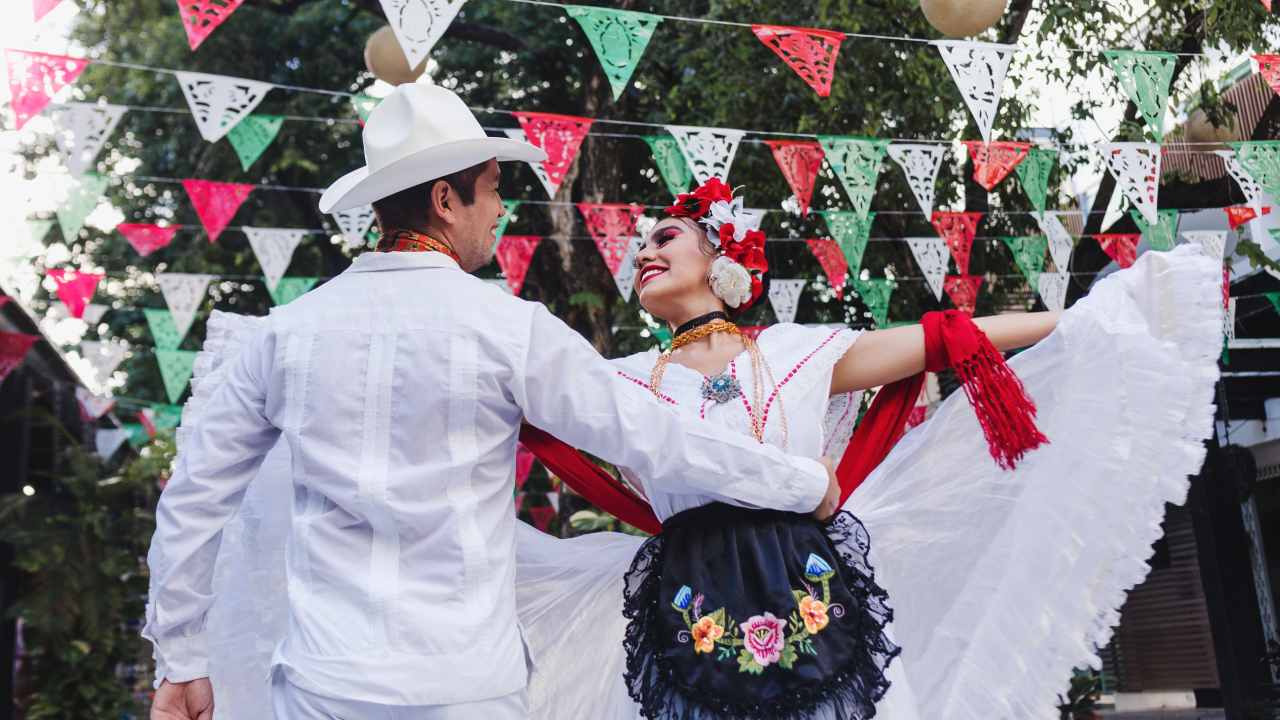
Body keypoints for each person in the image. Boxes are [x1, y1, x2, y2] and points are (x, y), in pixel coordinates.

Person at [142, 82, 844, 720]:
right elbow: (654, 436)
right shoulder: (508, 330)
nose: (504, 209)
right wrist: (800, 482)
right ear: (447, 201)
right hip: (465, 686)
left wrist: (180, 660)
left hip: (325, 682)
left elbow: (194, 500)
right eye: (491, 187)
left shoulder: (283, 336)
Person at [510, 177, 1222, 719]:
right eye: (642, 246)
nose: (645, 253)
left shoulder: (796, 352)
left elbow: (944, 338)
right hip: (687, 604)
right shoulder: (619, 382)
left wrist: (1080, 320)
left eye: (665, 238)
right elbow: (513, 396)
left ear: (719, 256)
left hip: (813, 593)